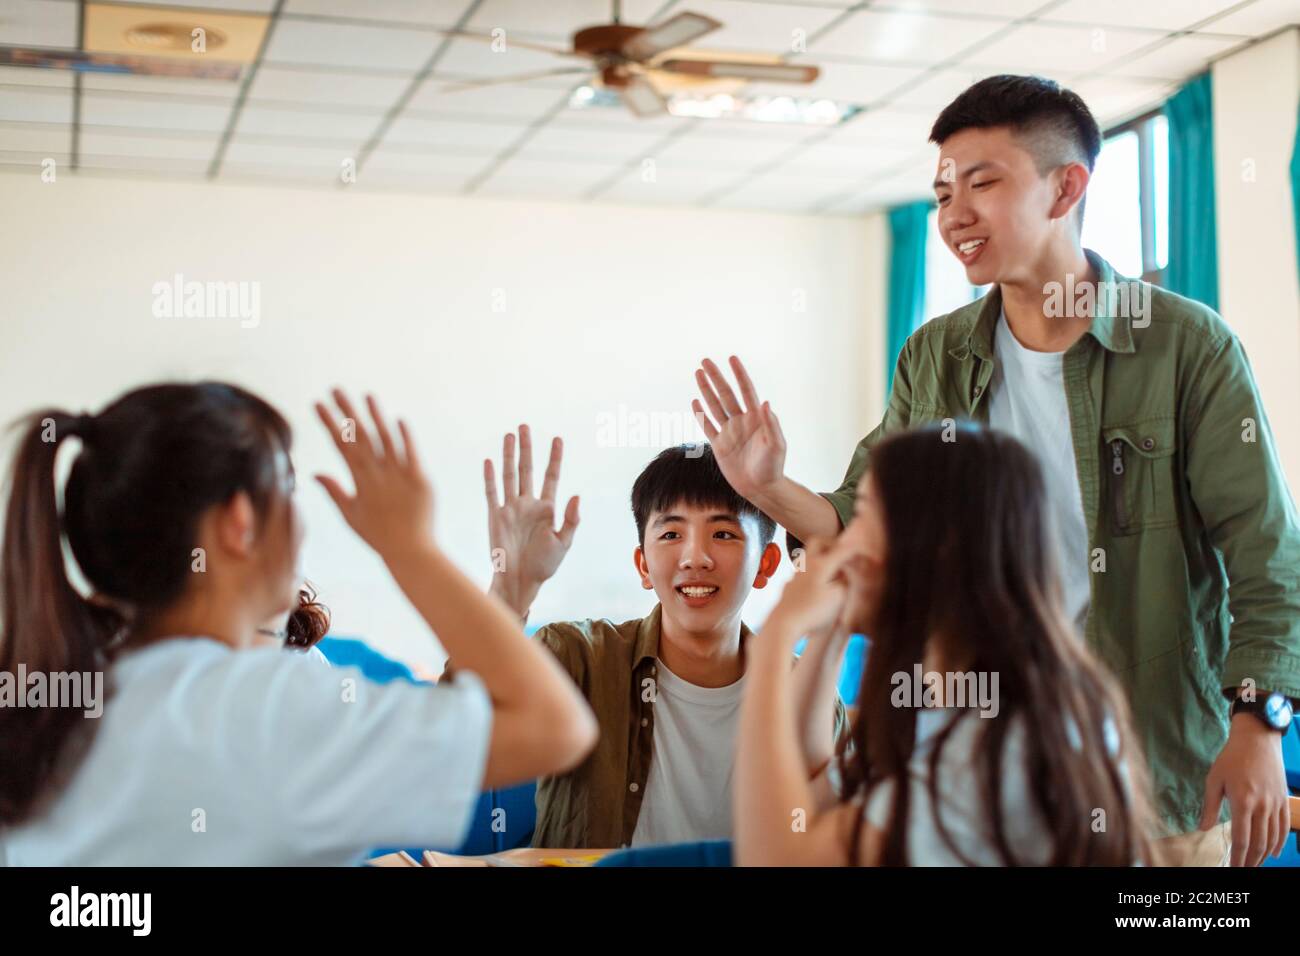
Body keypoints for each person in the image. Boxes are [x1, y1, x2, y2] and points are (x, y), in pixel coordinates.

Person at [695, 74, 1299, 867]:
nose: (953, 216)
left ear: (1065, 188)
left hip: (1151, 773)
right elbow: (864, 526)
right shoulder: (936, 355)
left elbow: (1266, 554)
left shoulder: (1187, 348)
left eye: (982, 184)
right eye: (944, 193)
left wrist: (1258, 725)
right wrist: (765, 488)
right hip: (967, 750)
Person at [0, 384, 595, 864]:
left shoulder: (53, 704)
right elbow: (557, 726)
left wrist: (512, 587)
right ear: (240, 522)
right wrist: (407, 545)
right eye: (287, 490)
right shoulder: (267, 713)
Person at [736, 423, 1156, 866]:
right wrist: (831, 627)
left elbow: (778, 859)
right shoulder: (956, 704)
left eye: (863, 516)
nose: (839, 541)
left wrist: (775, 638)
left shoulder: (990, 754)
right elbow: (812, 790)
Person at [453, 426, 846, 849]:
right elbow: (455, 735)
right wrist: (510, 590)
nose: (696, 557)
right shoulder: (577, 659)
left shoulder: (806, 694)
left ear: (767, 563)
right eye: (671, 534)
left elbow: (831, 844)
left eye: (724, 534)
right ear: (643, 565)